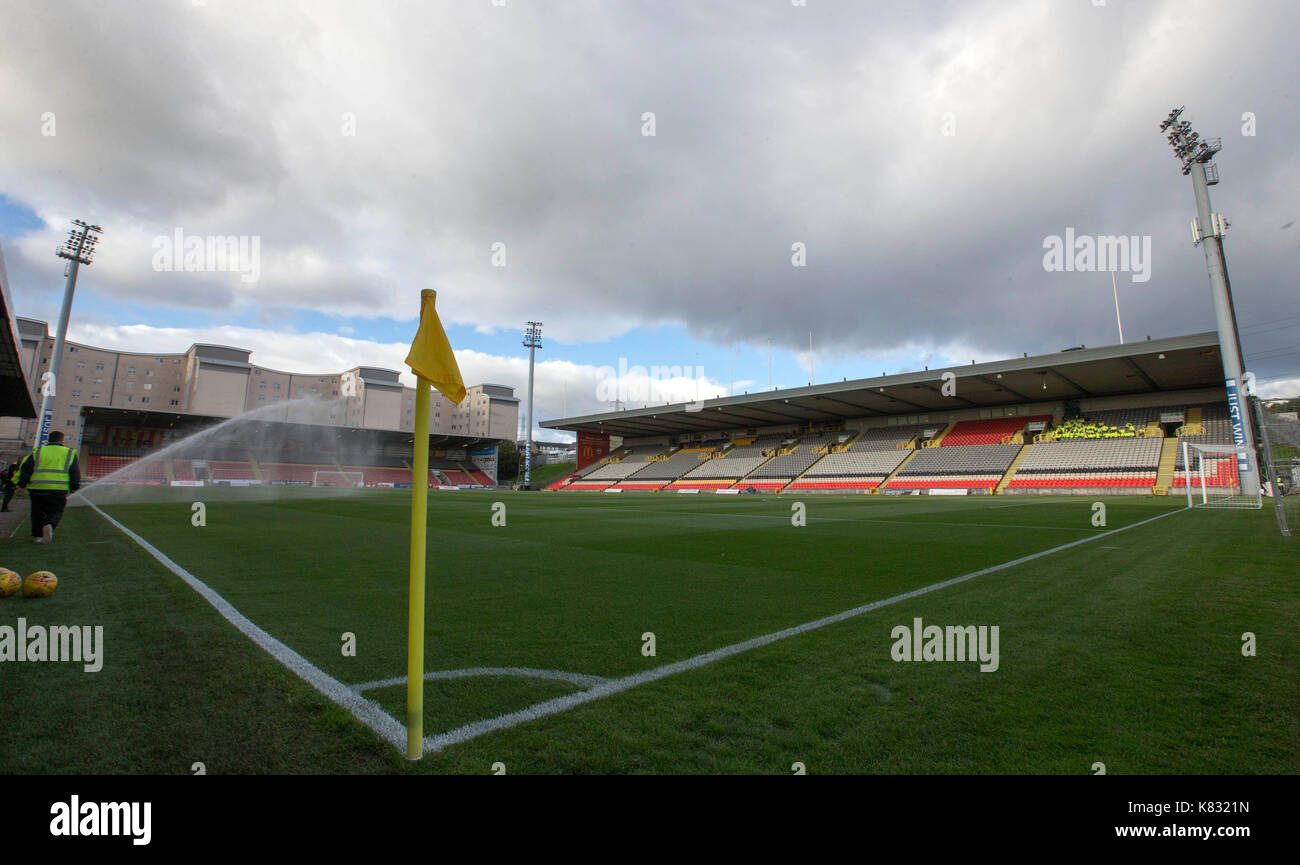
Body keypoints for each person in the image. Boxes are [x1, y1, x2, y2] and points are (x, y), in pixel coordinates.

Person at [17, 431, 81, 544]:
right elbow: (74, 471)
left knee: (36, 512)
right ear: (62, 440)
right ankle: (49, 524)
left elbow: (26, 469)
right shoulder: (69, 453)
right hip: (58, 489)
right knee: (56, 511)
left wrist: (21, 485)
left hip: (37, 488)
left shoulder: (38, 451)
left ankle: (37, 537)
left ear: (49, 439)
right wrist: (74, 487)